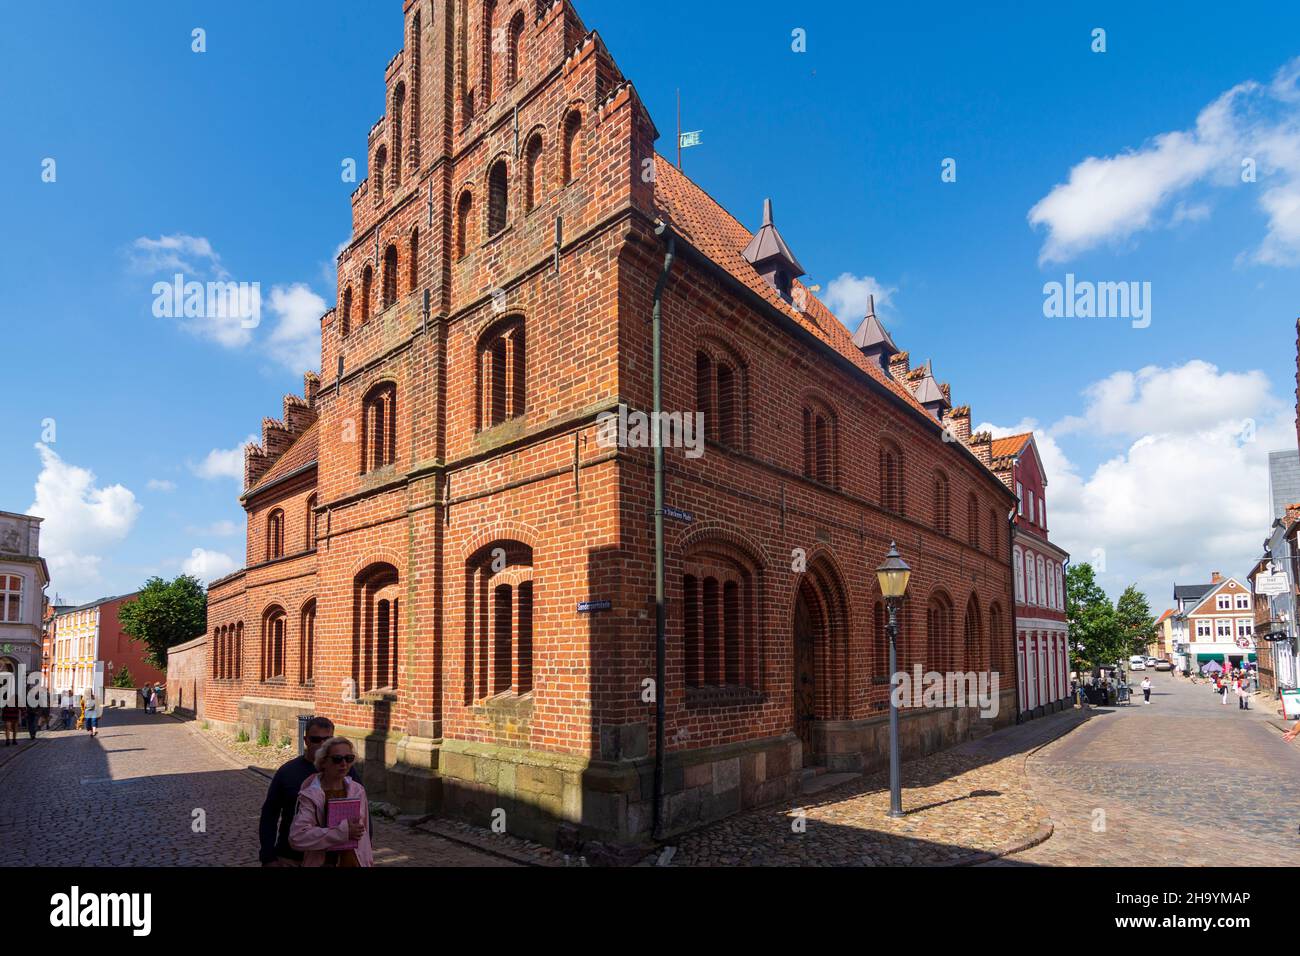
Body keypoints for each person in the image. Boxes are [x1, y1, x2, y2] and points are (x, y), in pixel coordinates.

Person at [259, 716, 360, 867]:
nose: (322, 744)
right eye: (316, 740)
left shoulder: (345, 771)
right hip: (291, 856)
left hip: (331, 858)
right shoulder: (288, 772)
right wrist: (268, 856)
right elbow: (270, 814)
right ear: (306, 740)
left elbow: (361, 815)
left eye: (327, 740)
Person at [289, 735, 373, 867]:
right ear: (323, 762)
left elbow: (365, 832)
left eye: (349, 759)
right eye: (337, 759)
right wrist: (342, 833)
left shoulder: (358, 790)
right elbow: (297, 837)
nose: (344, 764)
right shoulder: (311, 794)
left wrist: (367, 860)